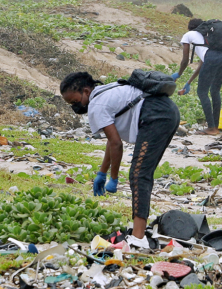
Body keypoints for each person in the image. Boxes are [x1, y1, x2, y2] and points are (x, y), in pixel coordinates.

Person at [60, 71, 180, 251]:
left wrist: (113, 178)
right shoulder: (105, 91)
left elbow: (117, 144)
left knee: (139, 174)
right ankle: (139, 234)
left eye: (75, 101)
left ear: (85, 91)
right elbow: (111, 140)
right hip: (166, 111)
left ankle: (138, 238)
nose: (75, 106)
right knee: (142, 172)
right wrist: (102, 173)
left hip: (156, 116)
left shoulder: (96, 104)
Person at [175, 18, 222, 135]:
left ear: (189, 28)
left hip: (212, 58)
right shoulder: (208, 37)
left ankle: (211, 127)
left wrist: (178, 74)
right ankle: (215, 127)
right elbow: (202, 63)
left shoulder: (189, 35)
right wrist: (188, 82)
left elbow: (185, 60)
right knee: (215, 91)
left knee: (202, 92)